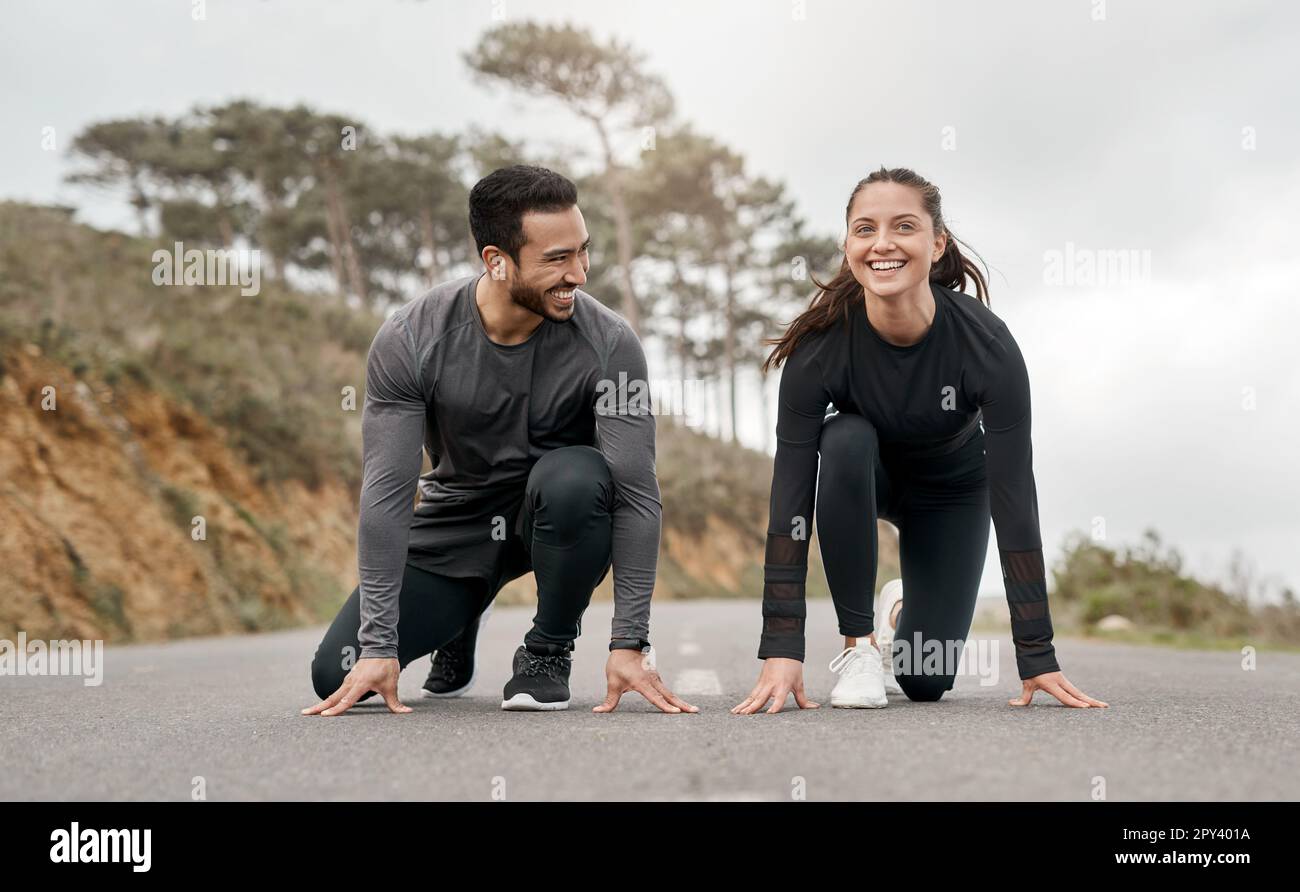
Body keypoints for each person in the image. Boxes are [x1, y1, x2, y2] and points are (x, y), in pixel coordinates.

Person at [304, 164, 697, 716]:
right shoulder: (412, 338)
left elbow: (635, 490)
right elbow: (386, 494)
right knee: (336, 675)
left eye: (583, 251)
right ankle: (462, 616)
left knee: (576, 479)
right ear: (496, 261)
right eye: (557, 259)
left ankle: (547, 649)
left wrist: (630, 642)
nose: (579, 274)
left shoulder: (611, 344)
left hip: (556, 514)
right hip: (456, 524)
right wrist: (377, 646)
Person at [733, 166, 1108, 714]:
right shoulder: (820, 348)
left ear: (937, 244)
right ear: (848, 246)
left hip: (952, 492)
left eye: (903, 227)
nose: (882, 243)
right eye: (865, 229)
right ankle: (859, 648)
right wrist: (782, 647)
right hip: (863, 474)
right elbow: (789, 498)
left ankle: (896, 617)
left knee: (924, 681)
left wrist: (1037, 653)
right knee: (846, 437)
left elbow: (1013, 498)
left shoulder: (986, 345)